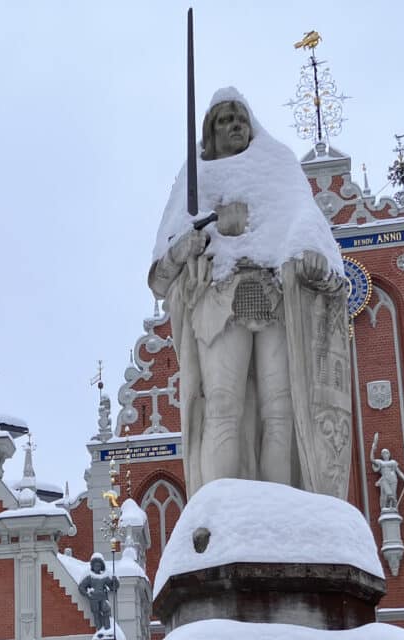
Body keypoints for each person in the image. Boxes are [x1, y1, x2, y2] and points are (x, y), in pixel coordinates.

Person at [149, 88, 352, 498]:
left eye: (239, 117)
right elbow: (159, 273)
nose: (234, 125)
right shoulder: (196, 179)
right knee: (223, 406)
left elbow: (306, 223)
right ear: (210, 131)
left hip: (275, 299)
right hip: (222, 299)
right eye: (223, 120)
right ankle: (221, 508)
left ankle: (277, 508)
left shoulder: (277, 166)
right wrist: (193, 240)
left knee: (279, 411)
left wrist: (310, 254)